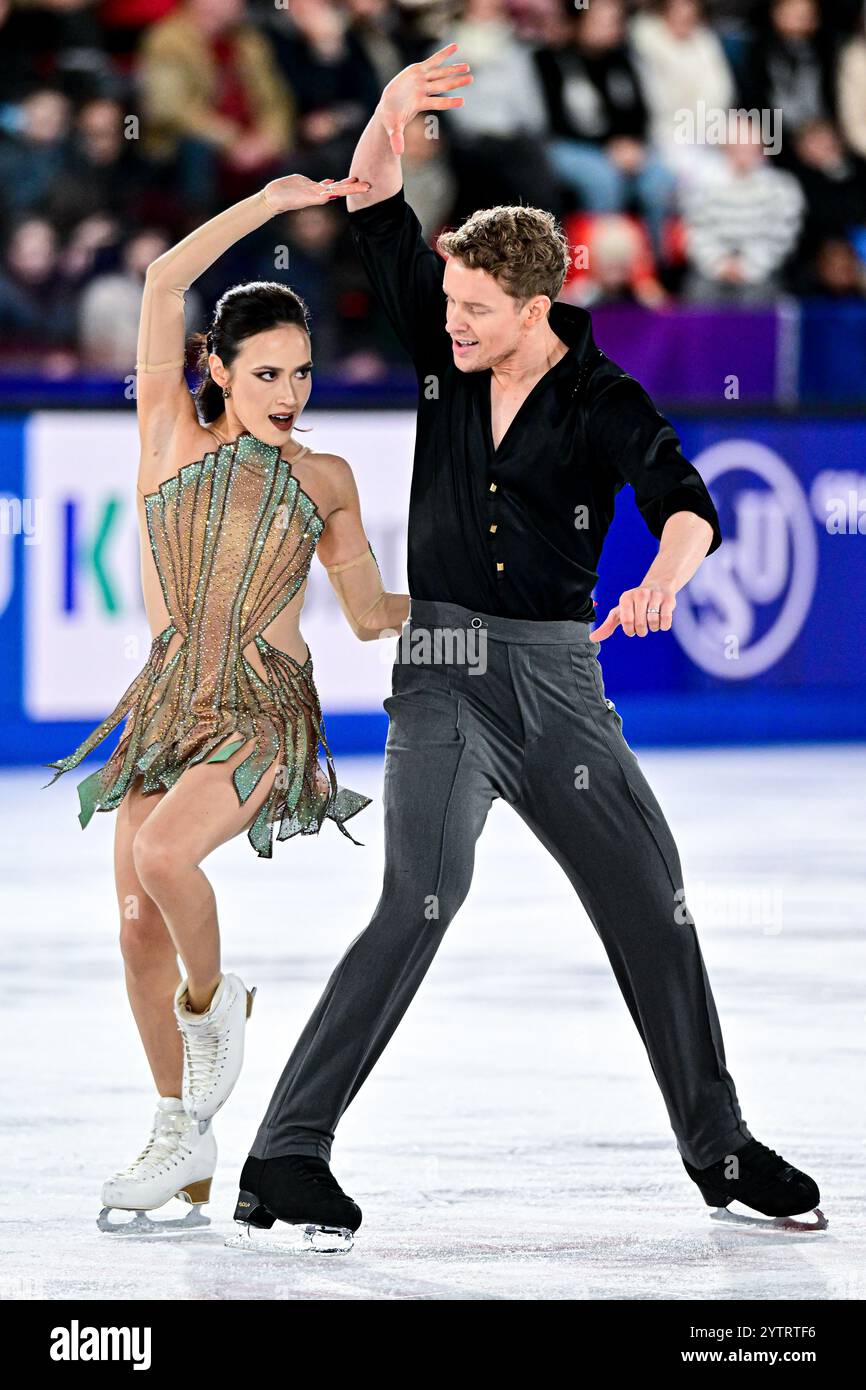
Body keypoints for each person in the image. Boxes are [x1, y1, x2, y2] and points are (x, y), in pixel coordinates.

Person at [230, 44, 823, 1252]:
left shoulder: (601, 397)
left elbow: (688, 504)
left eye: (473, 315)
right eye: (446, 305)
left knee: (652, 905)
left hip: (559, 685)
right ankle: (286, 1153)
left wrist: (664, 577)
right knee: (418, 896)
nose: (447, 326)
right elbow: (379, 201)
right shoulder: (444, 347)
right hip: (442, 672)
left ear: (535, 309)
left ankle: (716, 1148)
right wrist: (389, 112)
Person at [42, 171, 410, 1233]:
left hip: (259, 711)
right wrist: (268, 202)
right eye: (266, 372)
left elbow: (365, 612)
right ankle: (182, 1138)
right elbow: (162, 279)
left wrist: (459, 596)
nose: (289, 392)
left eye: (300, 373)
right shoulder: (164, 431)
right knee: (132, 929)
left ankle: (215, 1011)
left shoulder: (325, 474)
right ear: (216, 368)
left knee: (163, 862)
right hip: (166, 704)